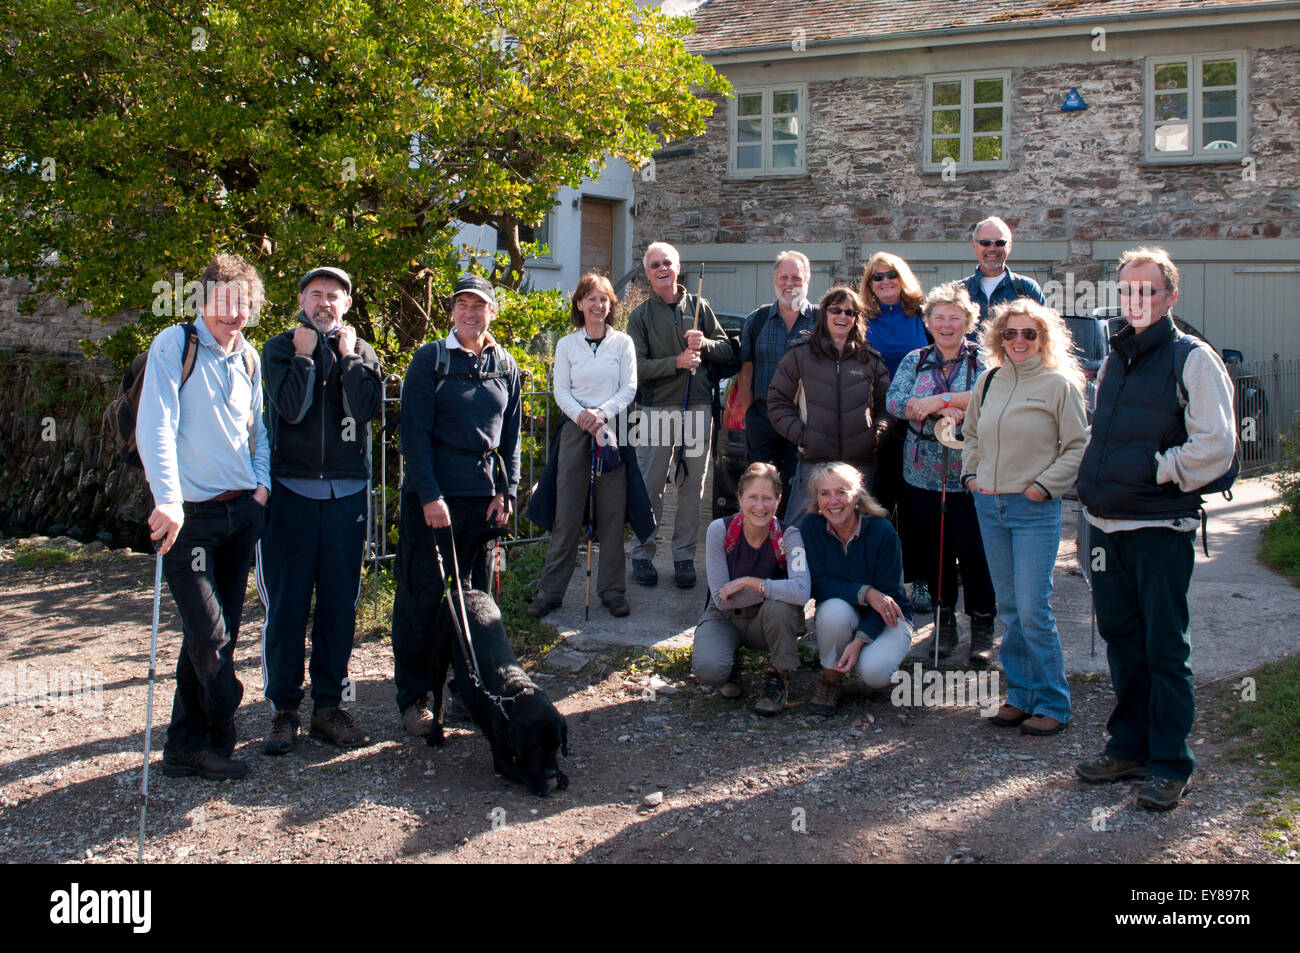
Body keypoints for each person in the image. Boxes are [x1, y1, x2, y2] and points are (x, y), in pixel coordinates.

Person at [1075, 247, 1236, 811]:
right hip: (1105, 526)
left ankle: (1170, 763)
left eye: (1148, 290)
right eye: (1128, 290)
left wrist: (1160, 470)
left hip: (1159, 528)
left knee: (1165, 648)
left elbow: (1216, 445)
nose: (1136, 300)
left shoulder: (1192, 358)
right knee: (1123, 643)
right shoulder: (1118, 355)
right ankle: (1130, 747)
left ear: (1170, 296)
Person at [136, 253, 270, 781]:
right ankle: (225, 714)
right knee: (210, 636)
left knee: (216, 635)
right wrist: (166, 498)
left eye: (243, 308)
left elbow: (258, 431)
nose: (233, 317)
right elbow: (156, 425)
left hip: (242, 513)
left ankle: (187, 746)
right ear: (201, 302)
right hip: (188, 518)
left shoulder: (250, 357)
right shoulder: (175, 344)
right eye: (223, 306)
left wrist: (260, 487)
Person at [257, 266, 383, 755]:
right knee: (286, 608)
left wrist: (349, 357)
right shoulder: (278, 348)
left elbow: (364, 410)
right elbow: (289, 409)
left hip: (346, 497)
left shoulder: (363, 353)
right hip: (289, 494)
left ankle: (328, 708)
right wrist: (306, 360)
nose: (324, 302)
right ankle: (284, 711)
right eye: (315, 294)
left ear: (346, 305)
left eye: (333, 296)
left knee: (337, 607)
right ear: (301, 299)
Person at [391, 274, 521, 738]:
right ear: (452, 312)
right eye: (462, 304)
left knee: (475, 601)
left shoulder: (505, 363)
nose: (471, 312)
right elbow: (414, 434)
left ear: (492, 312)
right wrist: (429, 495)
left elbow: (511, 437)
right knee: (423, 599)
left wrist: (508, 492)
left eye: (479, 305)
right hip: (434, 501)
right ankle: (417, 699)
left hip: (482, 502)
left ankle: (469, 690)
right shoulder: (430, 360)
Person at [961, 298, 1087, 737]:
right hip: (989, 506)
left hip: (1033, 509)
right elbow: (971, 433)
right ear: (998, 337)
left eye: (1028, 333)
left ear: (1043, 338)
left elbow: (1076, 446)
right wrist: (972, 475)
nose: (1018, 340)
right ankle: (1021, 695)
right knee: (1010, 608)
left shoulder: (1059, 385)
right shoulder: (989, 380)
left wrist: (1043, 487)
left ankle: (1054, 702)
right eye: (1010, 333)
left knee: (1034, 609)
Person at [886, 282, 996, 663]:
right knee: (936, 552)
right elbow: (895, 400)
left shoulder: (983, 359)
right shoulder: (914, 360)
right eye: (940, 318)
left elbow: (991, 392)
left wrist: (943, 399)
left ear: (969, 321)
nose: (947, 325)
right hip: (923, 474)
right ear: (928, 322)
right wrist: (929, 408)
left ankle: (982, 627)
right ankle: (943, 623)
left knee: (976, 551)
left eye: (955, 317)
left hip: (974, 475)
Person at [527, 273, 637, 619]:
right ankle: (550, 591)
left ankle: (612, 591)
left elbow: (629, 387)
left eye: (603, 299)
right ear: (579, 304)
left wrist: (602, 414)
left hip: (612, 431)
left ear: (610, 306)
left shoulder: (622, 344)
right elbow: (561, 390)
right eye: (591, 298)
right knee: (567, 513)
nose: (597, 305)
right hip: (576, 431)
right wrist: (583, 417)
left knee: (612, 513)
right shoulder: (566, 345)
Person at [626, 241, 732, 589]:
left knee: (692, 489)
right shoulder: (639, 316)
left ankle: (684, 557)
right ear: (647, 273)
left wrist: (705, 345)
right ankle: (642, 554)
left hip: (697, 407)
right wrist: (676, 363)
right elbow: (636, 367)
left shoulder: (700, 306)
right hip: (654, 410)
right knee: (649, 485)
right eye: (655, 265)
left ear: (677, 266)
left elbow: (727, 348)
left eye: (667, 263)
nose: (662, 269)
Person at [693, 463, 811, 715]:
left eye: (767, 498)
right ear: (739, 498)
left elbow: (802, 591)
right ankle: (731, 663)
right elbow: (721, 599)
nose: (760, 506)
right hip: (724, 618)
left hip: (764, 620)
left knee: (781, 607)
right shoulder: (719, 530)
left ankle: (778, 677)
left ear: (778, 501)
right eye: (753, 498)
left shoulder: (790, 537)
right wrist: (776, 588)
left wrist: (749, 582)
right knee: (709, 669)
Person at [766, 286, 891, 519]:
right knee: (799, 529)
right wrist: (804, 437)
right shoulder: (800, 355)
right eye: (836, 310)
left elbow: (888, 407)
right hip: (814, 461)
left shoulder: (869, 359)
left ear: (856, 319)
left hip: (859, 463)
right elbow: (777, 402)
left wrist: (873, 437)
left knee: (856, 530)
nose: (843, 316)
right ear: (825, 314)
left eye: (850, 312)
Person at [801, 462, 913, 715]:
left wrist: (860, 641)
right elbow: (817, 583)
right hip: (844, 611)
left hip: (888, 618)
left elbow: (890, 598)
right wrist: (865, 593)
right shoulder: (811, 527)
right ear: (817, 499)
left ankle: (875, 657)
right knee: (832, 612)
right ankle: (830, 680)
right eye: (824, 493)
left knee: (875, 674)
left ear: (857, 496)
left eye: (841, 491)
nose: (833, 501)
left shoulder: (882, 531)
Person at [861, 250, 932, 613]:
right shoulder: (861, 319)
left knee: (918, 502)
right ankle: (884, 579)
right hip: (878, 423)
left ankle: (922, 580)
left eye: (891, 274)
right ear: (869, 284)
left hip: (922, 423)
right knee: (881, 503)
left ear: (903, 276)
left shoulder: (923, 317)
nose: (885, 281)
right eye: (877, 276)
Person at [735, 251, 817, 519]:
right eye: (784, 277)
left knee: (801, 488)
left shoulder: (821, 320)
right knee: (761, 488)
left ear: (807, 280)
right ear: (775, 280)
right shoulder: (756, 320)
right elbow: (746, 370)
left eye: (796, 277)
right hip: (763, 417)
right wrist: (749, 413)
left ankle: (793, 547)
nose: (789, 283)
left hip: (805, 421)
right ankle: (762, 546)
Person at [963, 216, 1046, 326]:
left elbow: (1043, 333)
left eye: (1000, 243)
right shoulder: (959, 291)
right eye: (985, 242)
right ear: (974, 245)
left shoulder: (1027, 289)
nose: (992, 248)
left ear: (1010, 245)